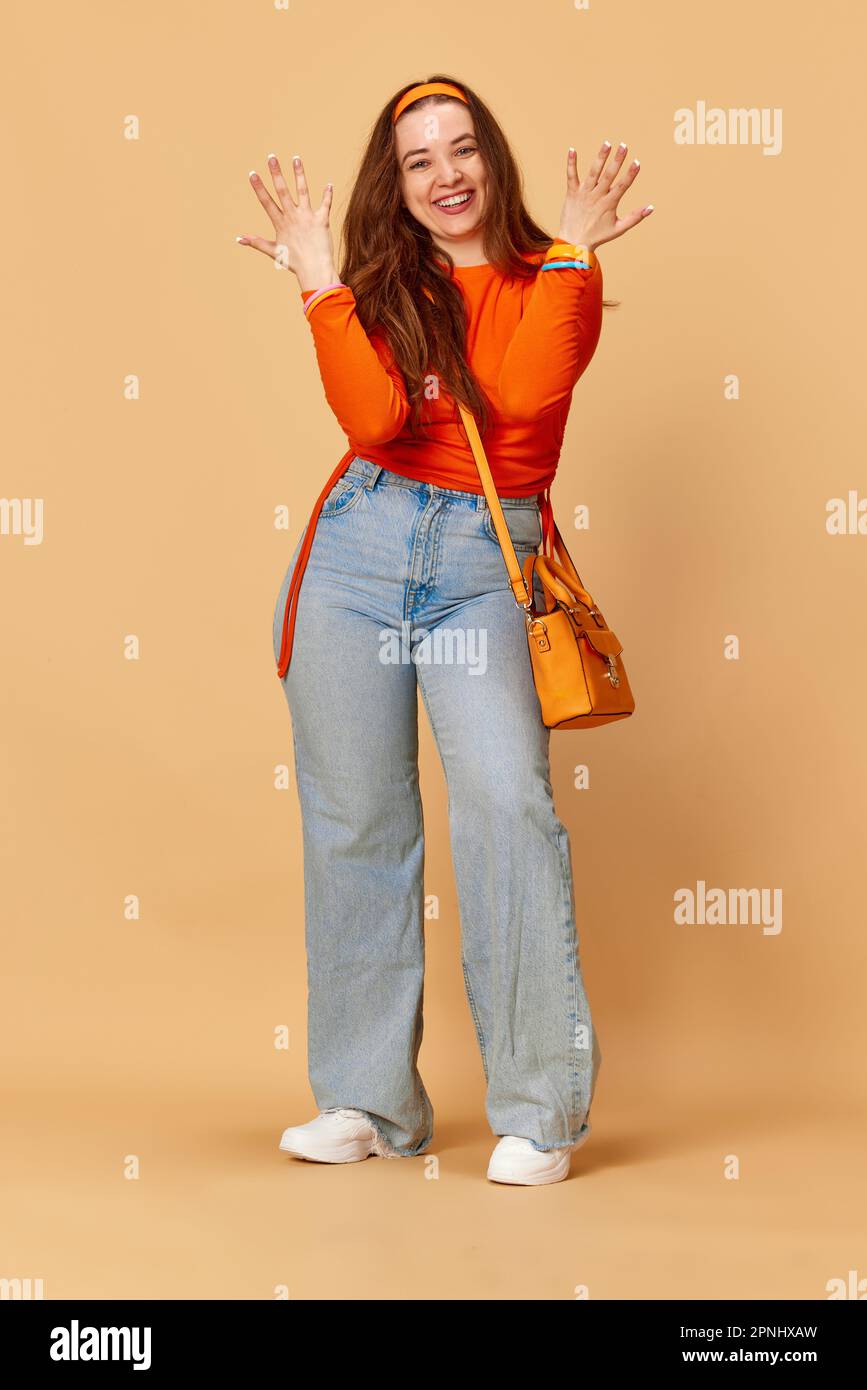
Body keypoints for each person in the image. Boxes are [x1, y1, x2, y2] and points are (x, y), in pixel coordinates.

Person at [238, 75, 652, 1185]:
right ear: (398, 180)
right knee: (356, 820)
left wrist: (575, 246)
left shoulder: (553, 276)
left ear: (492, 158)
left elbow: (516, 400)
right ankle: (368, 1100)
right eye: (419, 159)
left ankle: (540, 1110)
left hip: (483, 560)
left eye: (462, 149)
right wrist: (321, 280)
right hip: (358, 551)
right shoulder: (375, 286)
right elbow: (374, 419)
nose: (446, 175)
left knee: (506, 804)